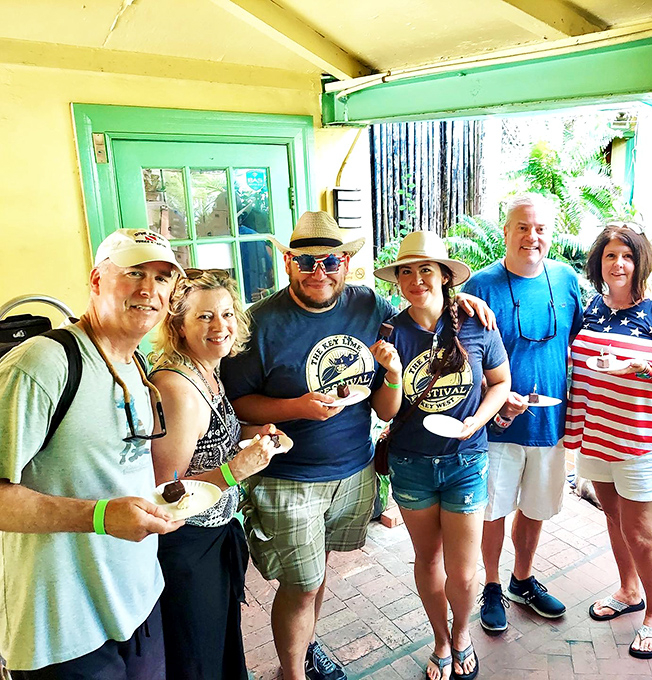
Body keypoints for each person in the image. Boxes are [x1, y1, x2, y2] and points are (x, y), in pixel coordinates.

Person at [221, 211, 494, 680]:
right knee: (301, 584)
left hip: (353, 471)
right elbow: (240, 403)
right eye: (306, 262)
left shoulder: (369, 305)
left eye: (330, 260)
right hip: (291, 475)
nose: (319, 272)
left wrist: (458, 298)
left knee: (317, 572)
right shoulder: (260, 324)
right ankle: (293, 672)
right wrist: (297, 407)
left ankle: (307, 647)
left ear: (347, 262)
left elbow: (420, 303)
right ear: (288, 262)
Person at [0, 229, 185, 678]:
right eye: (134, 273)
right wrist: (101, 517)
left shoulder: (135, 363)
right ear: (97, 280)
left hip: (136, 598)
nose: (149, 289)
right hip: (63, 627)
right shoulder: (41, 365)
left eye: (162, 279)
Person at [373, 232, 511, 680]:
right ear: (397, 281)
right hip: (411, 464)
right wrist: (393, 374)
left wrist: (480, 419)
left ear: (445, 276)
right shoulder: (390, 331)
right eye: (406, 272)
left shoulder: (476, 323)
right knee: (427, 560)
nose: (416, 279)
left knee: (464, 570)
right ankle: (439, 639)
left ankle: (462, 633)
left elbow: (501, 382)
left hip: (467, 460)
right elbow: (385, 411)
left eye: (426, 269)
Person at [149, 268, 286, 680]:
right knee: (197, 655)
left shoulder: (207, 368)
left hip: (215, 534)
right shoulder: (177, 386)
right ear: (179, 325)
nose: (220, 326)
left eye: (227, 314)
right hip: (186, 546)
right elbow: (164, 490)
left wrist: (256, 433)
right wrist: (233, 472)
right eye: (205, 317)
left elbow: (211, 436)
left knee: (219, 643)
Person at [462, 194, 582, 633]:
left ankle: (522, 579)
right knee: (493, 509)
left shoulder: (566, 279)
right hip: (496, 424)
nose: (533, 237)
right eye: (523, 227)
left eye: (541, 229)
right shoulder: (480, 285)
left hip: (550, 422)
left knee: (535, 508)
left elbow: (577, 343)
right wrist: (495, 401)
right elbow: (463, 359)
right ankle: (491, 585)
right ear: (507, 229)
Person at [565, 223, 652, 659]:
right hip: (601, 436)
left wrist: (641, 368)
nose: (619, 264)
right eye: (611, 256)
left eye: (627, 256)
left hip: (644, 442)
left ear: (641, 261)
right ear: (599, 262)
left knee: (641, 531)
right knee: (614, 519)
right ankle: (629, 591)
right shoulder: (594, 306)